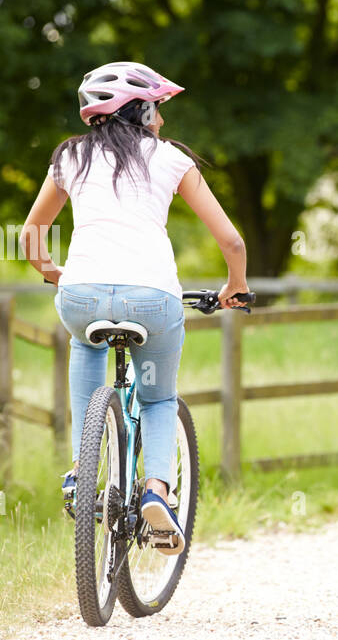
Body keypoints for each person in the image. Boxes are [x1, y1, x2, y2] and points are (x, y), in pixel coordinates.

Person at [20, 61, 250, 555]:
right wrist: (236, 285)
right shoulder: (169, 159)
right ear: (141, 110)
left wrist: (52, 273)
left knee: (84, 346)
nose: (163, 121)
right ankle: (157, 493)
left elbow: (32, 234)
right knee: (158, 398)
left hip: (80, 296)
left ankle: (82, 472)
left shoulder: (70, 158)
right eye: (159, 110)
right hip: (152, 299)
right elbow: (231, 240)